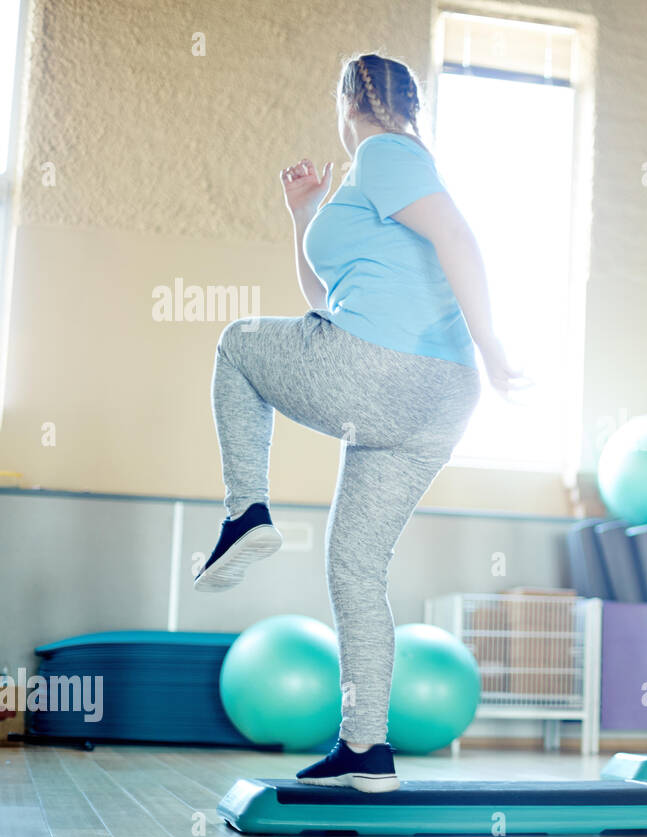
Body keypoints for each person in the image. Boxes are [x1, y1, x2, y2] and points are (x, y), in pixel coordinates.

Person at [194, 52, 526, 792]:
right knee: (354, 566)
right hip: (432, 401)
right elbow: (324, 299)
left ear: (348, 98)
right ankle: (367, 749)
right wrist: (303, 214)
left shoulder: (386, 155)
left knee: (236, 344)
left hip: (386, 371)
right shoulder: (372, 183)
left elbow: (460, 239)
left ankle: (246, 509)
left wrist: (497, 344)